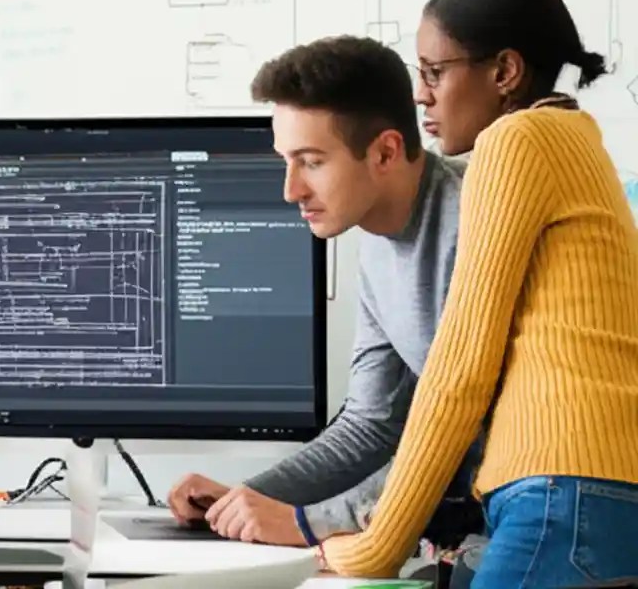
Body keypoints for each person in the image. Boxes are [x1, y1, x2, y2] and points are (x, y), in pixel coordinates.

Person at [318, 0, 638, 587]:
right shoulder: (573, 137)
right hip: (599, 490)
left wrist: (378, 545)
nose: (421, 95)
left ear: (504, 72)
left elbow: (461, 368)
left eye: (435, 72)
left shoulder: (515, 142)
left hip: (561, 491)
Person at [167, 35, 488, 556]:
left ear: (385, 151)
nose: (290, 190)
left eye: (311, 162)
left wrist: (310, 522)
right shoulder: (378, 236)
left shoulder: (474, 222)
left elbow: (471, 435)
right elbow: (370, 425)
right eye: (285, 161)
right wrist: (248, 500)